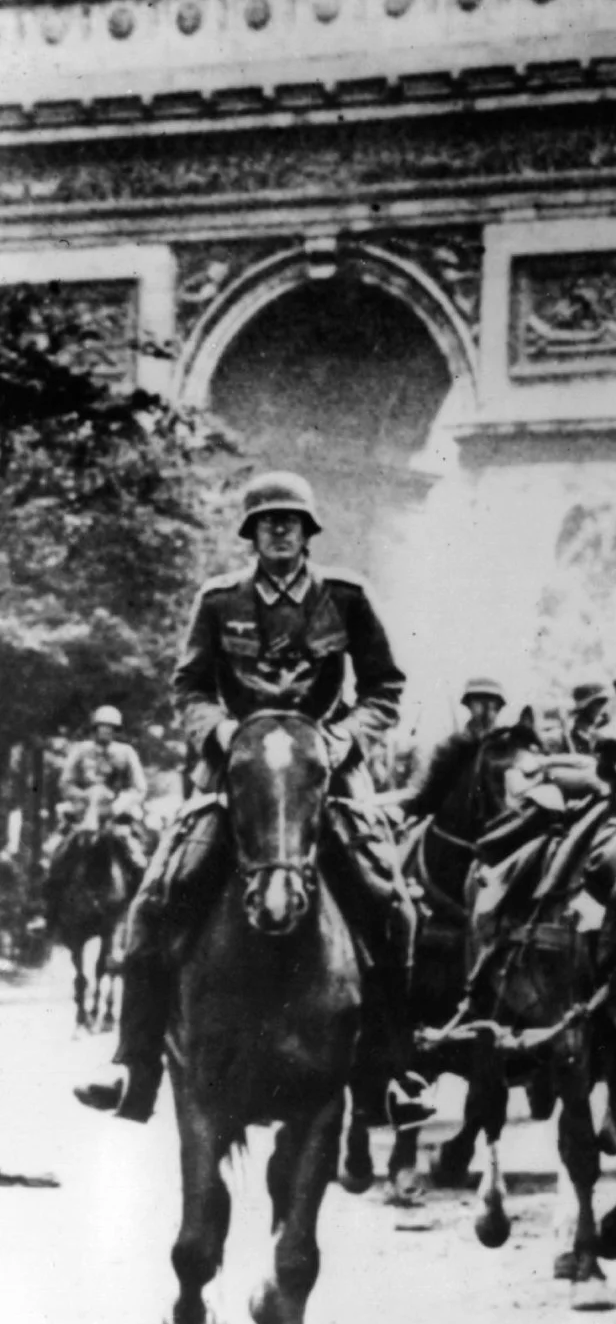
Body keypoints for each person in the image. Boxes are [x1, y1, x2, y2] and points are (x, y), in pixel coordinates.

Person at [77, 469, 422, 1124]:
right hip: (236, 770)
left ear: (308, 532)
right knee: (155, 897)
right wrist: (223, 731)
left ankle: (393, 1072)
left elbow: (384, 688)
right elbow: (189, 687)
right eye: (269, 521)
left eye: (292, 520)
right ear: (252, 532)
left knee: (394, 904)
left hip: (324, 769)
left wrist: (341, 739)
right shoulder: (218, 600)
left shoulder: (346, 597)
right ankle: (135, 1065)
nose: (281, 530)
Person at [46, 706, 152, 883]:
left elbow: (139, 787)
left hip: (115, 814)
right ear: (94, 728)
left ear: (116, 730)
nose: (106, 731)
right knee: (56, 854)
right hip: (82, 812)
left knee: (136, 859)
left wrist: (118, 804)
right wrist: (83, 796)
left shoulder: (126, 752)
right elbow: (66, 782)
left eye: (110, 727)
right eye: (102, 726)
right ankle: (52, 901)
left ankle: (140, 900)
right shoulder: (80, 750)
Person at [392, 676, 509, 823]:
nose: (486, 709)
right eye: (479, 702)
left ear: (498, 708)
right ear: (469, 705)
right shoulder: (452, 746)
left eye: (492, 705)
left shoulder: (505, 747)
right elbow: (431, 792)